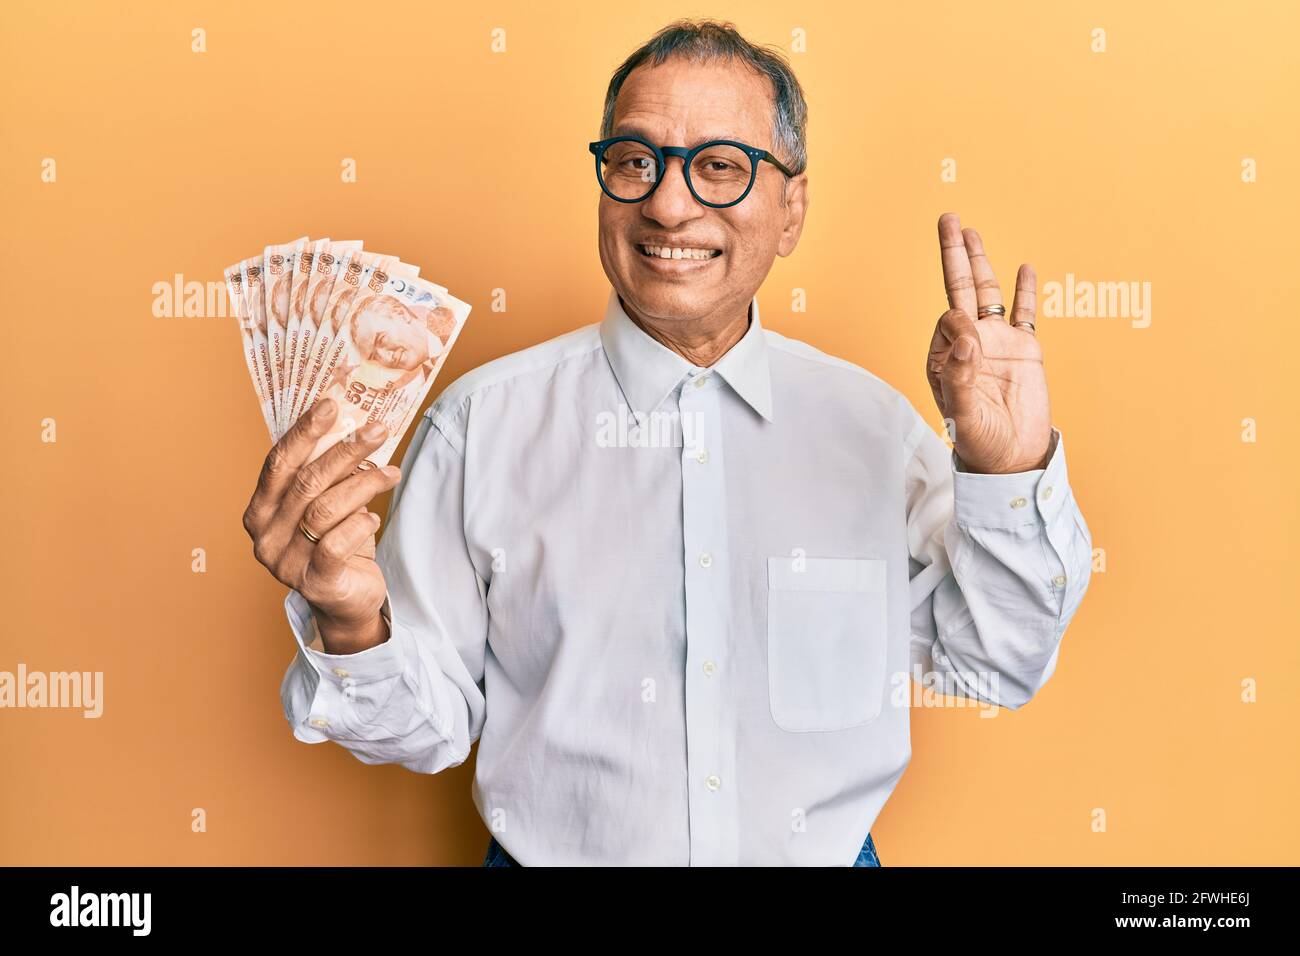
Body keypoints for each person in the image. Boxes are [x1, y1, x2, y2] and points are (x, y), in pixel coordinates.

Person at [241, 18, 1092, 866]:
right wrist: (352, 621)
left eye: (720, 166)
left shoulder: (875, 431)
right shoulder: (477, 427)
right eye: (634, 160)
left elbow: (997, 666)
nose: (668, 202)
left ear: (791, 209)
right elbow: (423, 733)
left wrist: (1006, 471)